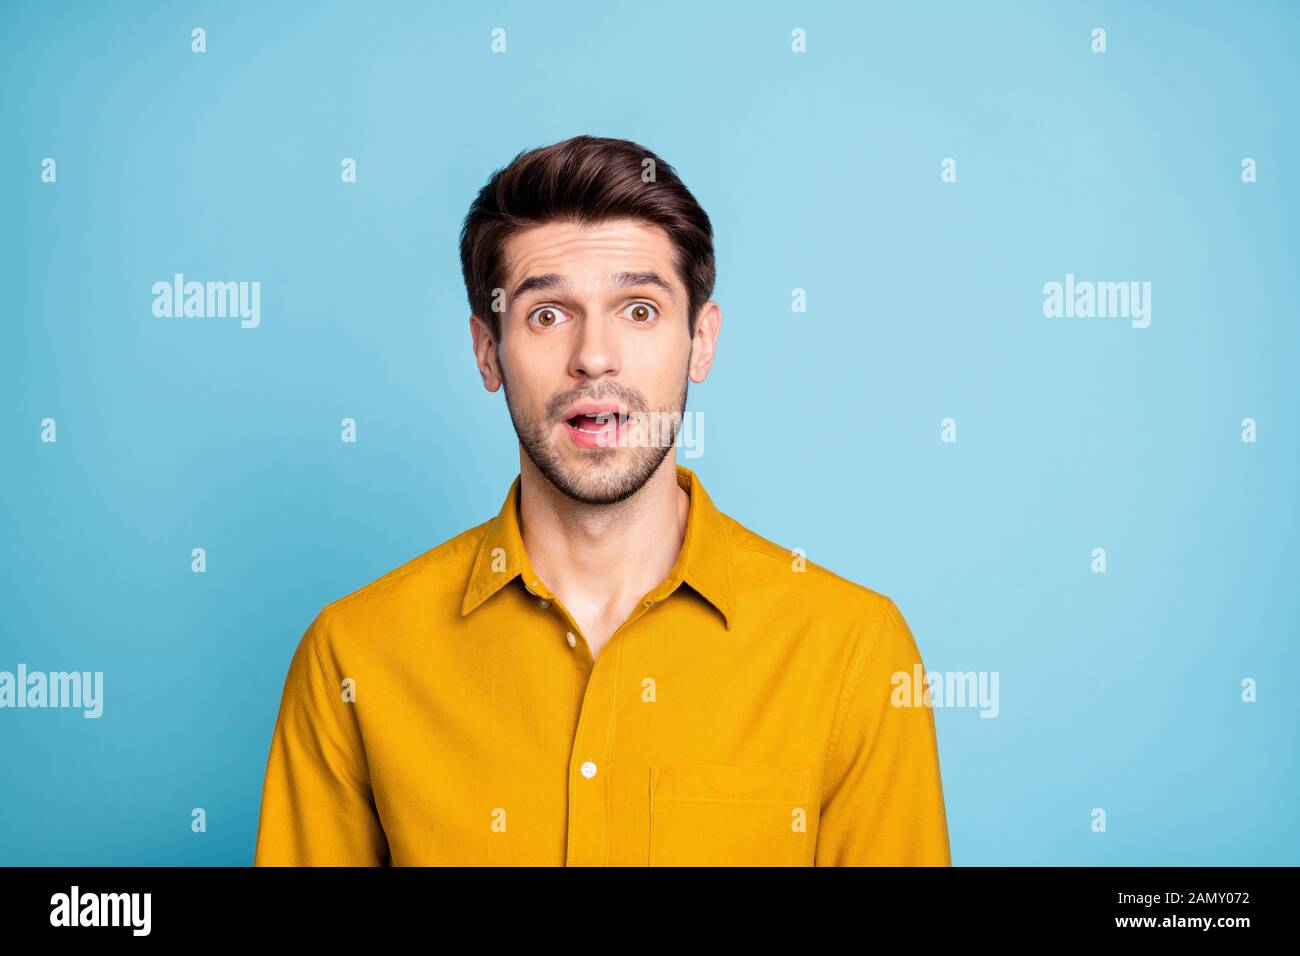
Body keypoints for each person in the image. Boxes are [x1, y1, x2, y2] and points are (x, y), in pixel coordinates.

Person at [253, 135, 951, 866]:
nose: (594, 355)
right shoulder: (352, 656)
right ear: (487, 350)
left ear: (701, 342)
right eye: (548, 314)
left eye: (639, 310)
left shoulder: (853, 653)